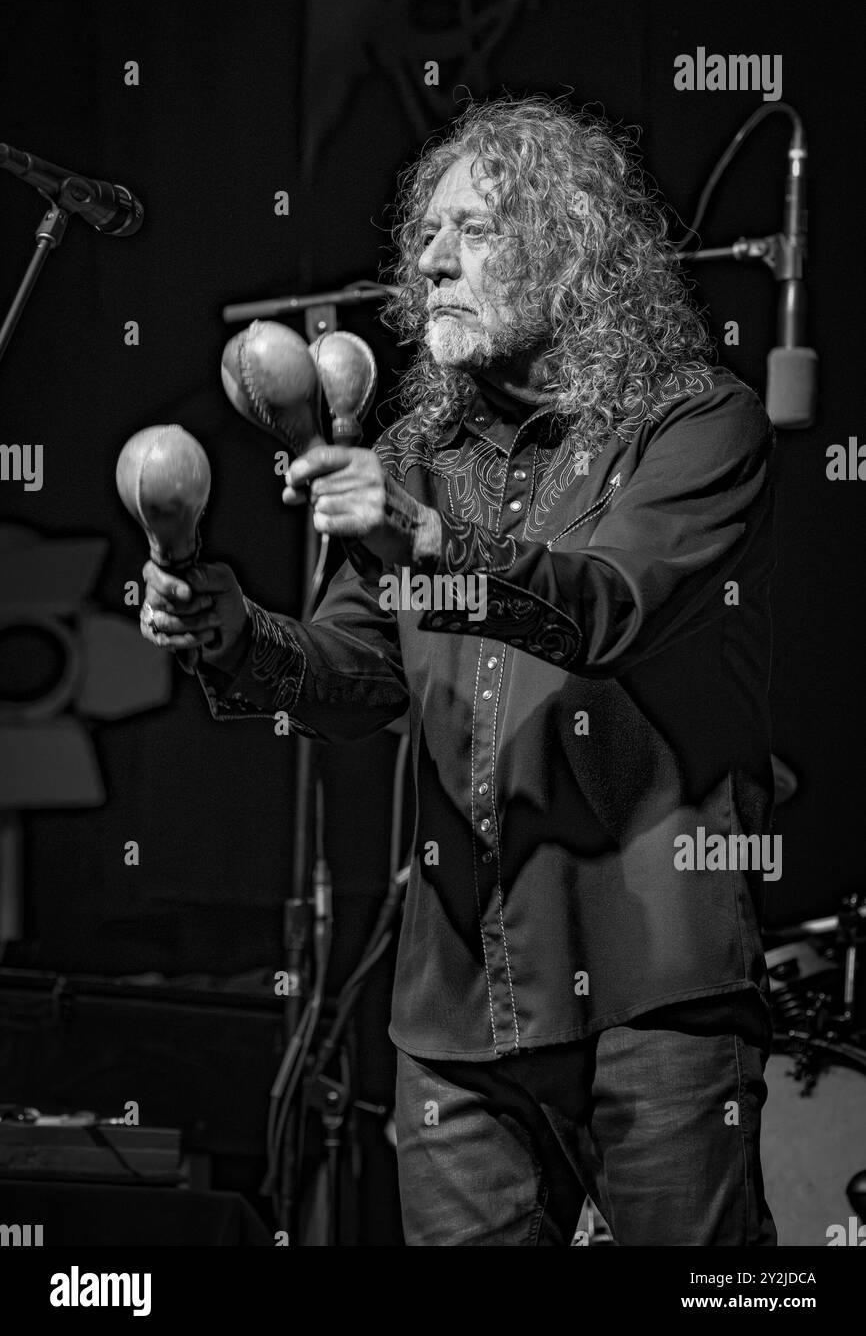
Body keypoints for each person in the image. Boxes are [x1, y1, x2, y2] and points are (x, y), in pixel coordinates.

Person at [140, 96, 778, 1246]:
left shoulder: (696, 422)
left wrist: (426, 539)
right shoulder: (413, 459)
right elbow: (351, 677)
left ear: (567, 246)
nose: (427, 262)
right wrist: (233, 632)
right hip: (451, 1021)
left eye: (471, 230)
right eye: (424, 236)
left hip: (652, 995)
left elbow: (607, 605)